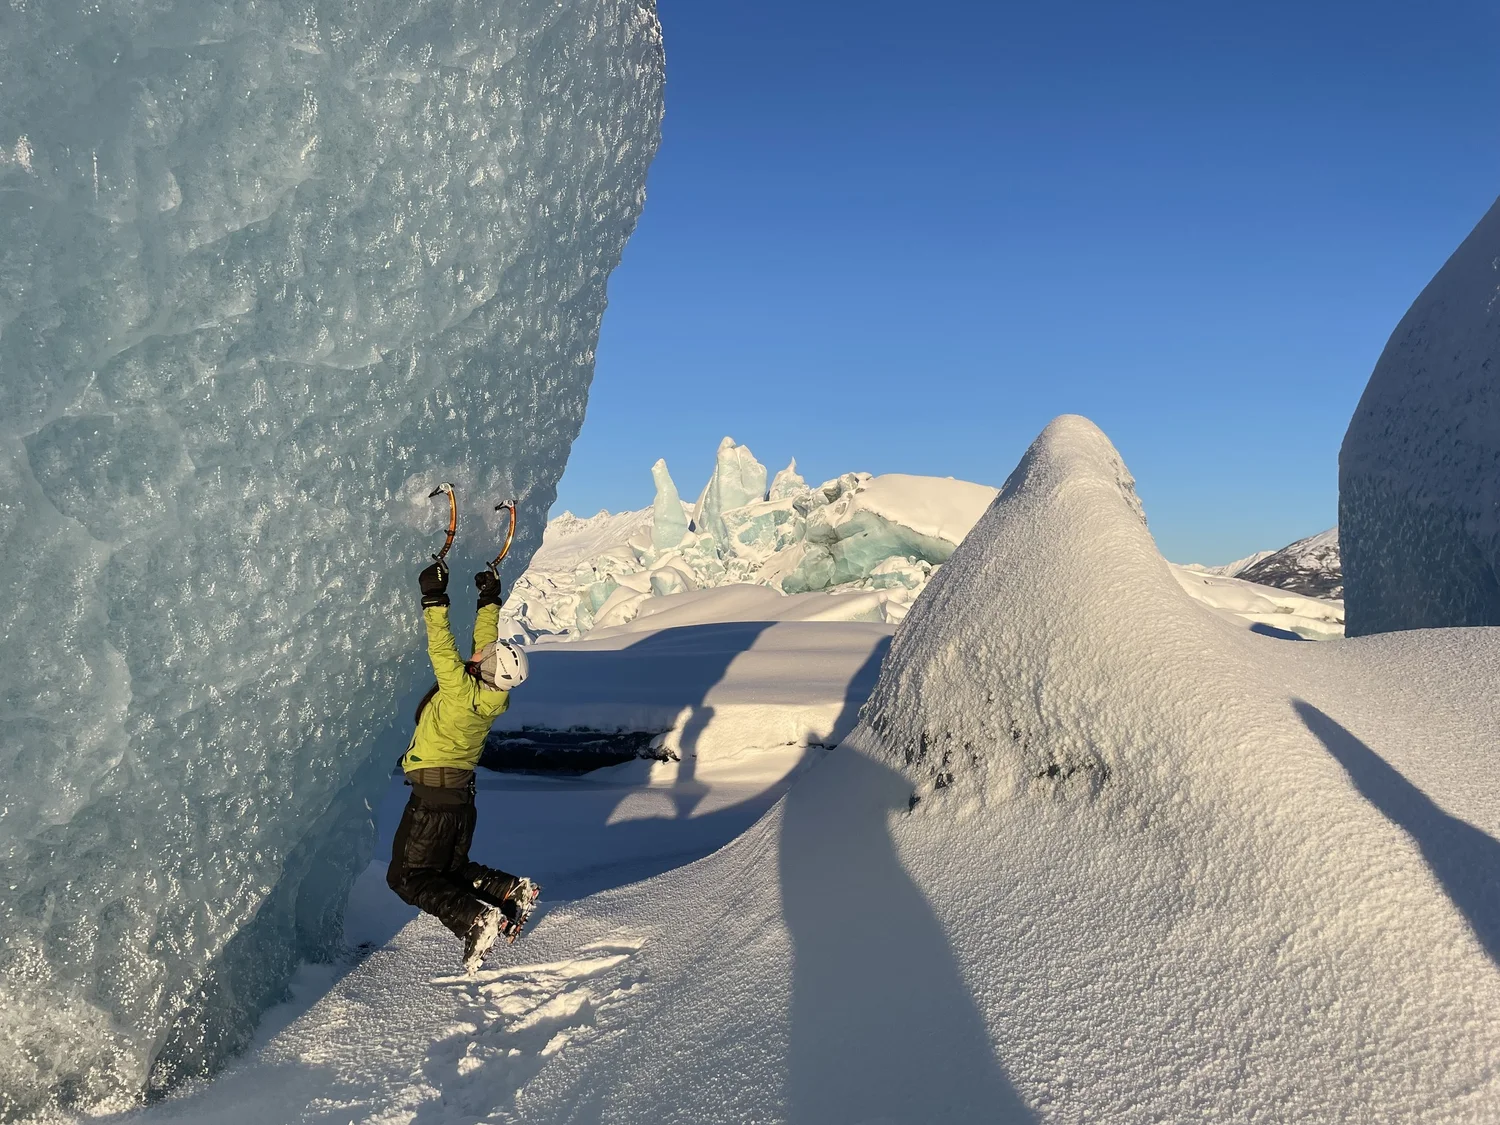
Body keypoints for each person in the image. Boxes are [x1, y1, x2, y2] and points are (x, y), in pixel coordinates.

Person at [386, 558, 539, 972]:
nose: (484, 653)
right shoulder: (491, 696)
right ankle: (510, 892)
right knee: (450, 870)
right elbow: (484, 645)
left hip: (435, 799)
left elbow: (443, 647)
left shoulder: (458, 690)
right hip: (459, 802)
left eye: (488, 657)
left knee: (406, 878)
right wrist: (490, 600)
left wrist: (433, 597)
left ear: (488, 669)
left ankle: (475, 919)